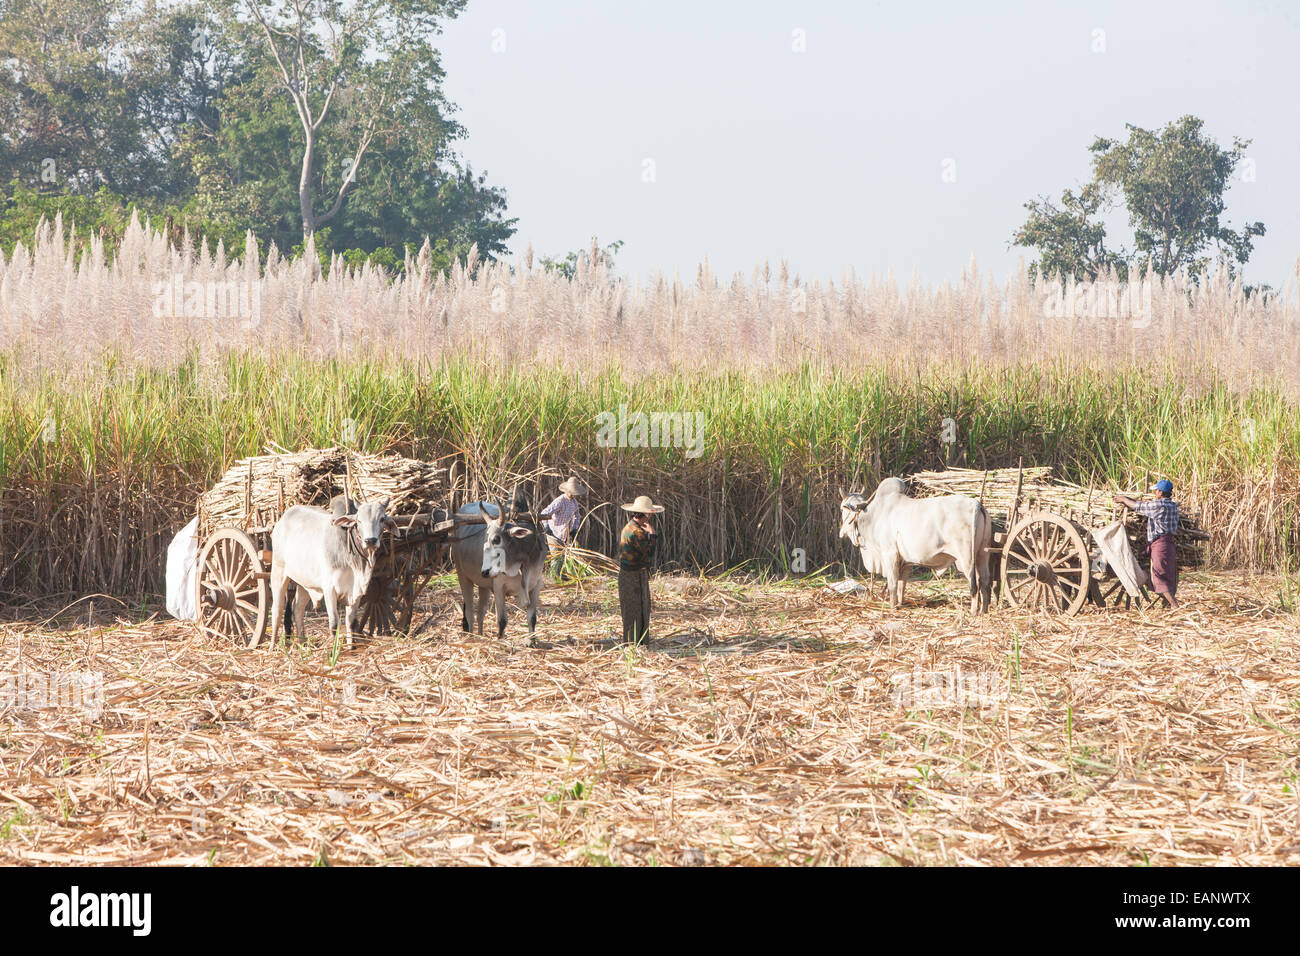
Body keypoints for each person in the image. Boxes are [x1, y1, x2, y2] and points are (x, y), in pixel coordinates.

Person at [1114, 478, 1181, 608]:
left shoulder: (1159, 506)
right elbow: (1142, 504)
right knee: (1166, 574)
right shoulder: (1172, 506)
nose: (1155, 493)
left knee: (1159, 576)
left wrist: (1123, 499)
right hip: (1168, 544)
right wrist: (1128, 498)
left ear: (1161, 492)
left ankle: (1174, 606)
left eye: (1156, 491)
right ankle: (1168, 604)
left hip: (1160, 545)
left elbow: (1138, 506)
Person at [617, 494, 663, 643]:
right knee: (636, 608)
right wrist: (653, 534)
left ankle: (635, 641)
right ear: (647, 514)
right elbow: (649, 552)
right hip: (633, 575)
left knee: (632, 608)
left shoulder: (629, 527)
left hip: (628, 573)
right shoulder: (638, 532)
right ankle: (634, 642)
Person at [540, 477, 587, 547]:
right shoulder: (560, 501)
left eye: (574, 493)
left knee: (563, 556)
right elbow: (545, 512)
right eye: (571, 492)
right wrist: (547, 527)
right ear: (566, 490)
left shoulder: (574, 502)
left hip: (565, 535)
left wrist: (574, 529)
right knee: (555, 556)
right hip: (554, 533)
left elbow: (577, 516)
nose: (572, 495)